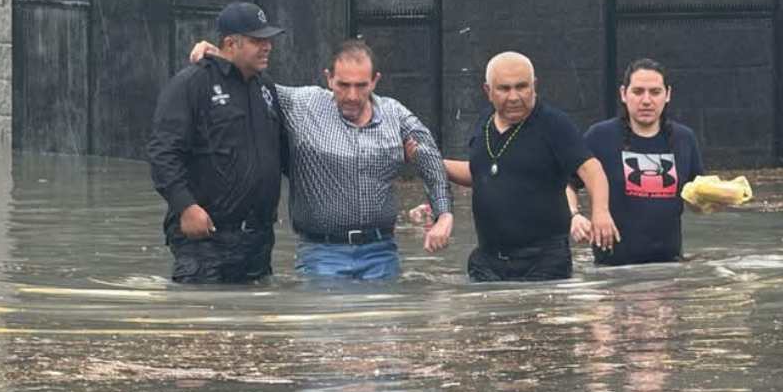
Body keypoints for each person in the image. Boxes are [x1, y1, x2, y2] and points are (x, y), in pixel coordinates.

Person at [191, 37, 453, 280]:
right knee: (323, 312)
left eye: (361, 86)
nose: (352, 96)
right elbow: (255, 84)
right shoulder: (304, 105)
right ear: (329, 78)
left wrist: (443, 215)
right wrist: (223, 57)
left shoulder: (394, 115)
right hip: (322, 252)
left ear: (375, 81)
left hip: (380, 251)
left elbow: (430, 160)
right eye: (343, 85)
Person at [440, 51, 618, 282]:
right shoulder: (484, 123)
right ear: (488, 91)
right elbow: (481, 173)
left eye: (522, 87)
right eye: (504, 89)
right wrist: (435, 164)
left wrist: (601, 212)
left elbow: (591, 169)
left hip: (543, 262)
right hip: (487, 261)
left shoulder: (554, 124)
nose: (514, 97)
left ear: (534, 86)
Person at [147, 1, 287, 283]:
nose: (267, 46)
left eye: (268, 39)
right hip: (206, 239)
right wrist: (186, 207)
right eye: (257, 40)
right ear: (231, 43)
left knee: (257, 310)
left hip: (257, 240)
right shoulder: (191, 84)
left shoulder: (265, 87)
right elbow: (163, 153)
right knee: (203, 308)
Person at [566, 58, 703, 265]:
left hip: (670, 267)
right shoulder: (599, 136)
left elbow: (696, 201)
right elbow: (566, 183)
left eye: (655, 92)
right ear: (623, 94)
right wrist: (574, 216)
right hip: (612, 269)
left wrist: (714, 202)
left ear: (668, 95)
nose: (646, 100)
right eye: (638, 92)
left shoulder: (684, 139)